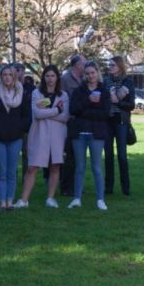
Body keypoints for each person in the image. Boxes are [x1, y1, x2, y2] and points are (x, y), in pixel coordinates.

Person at [15, 65, 69, 208]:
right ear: (43, 77)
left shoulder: (63, 95)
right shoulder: (36, 93)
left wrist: (49, 112)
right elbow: (37, 114)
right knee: (32, 167)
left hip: (57, 135)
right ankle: (24, 200)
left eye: (53, 76)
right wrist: (56, 110)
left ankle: (50, 198)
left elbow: (65, 117)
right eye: (47, 76)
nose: (50, 79)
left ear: (57, 78)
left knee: (55, 166)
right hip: (40, 134)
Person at [0, 64, 30, 210]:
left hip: (15, 138)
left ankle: (10, 200)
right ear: (0, 76)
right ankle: (2, 202)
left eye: (10, 74)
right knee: (1, 172)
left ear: (14, 76)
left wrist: (19, 128)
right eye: (4, 75)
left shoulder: (21, 93)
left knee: (12, 172)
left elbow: (27, 116)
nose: (7, 77)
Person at [69, 62, 110, 210]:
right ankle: (77, 198)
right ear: (84, 75)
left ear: (97, 73)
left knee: (97, 167)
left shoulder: (104, 90)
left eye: (92, 73)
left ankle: (100, 199)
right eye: (87, 73)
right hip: (79, 133)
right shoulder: (79, 91)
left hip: (96, 133)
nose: (90, 76)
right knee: (79, 167)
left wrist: (85, 112)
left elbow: (105, 113)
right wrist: (88, 101)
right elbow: (73, 110)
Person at [103, 55, 135, 196]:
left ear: (120, 67)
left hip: (121, 121)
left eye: (112, 65)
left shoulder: (128, 82)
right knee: (108, 155)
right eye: (109, 66)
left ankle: (125, 188)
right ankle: (108, 188)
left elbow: (131, 105)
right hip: (107, 122)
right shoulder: (105, 81)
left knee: (122, 156)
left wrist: (117, 102)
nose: (109, 68)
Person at [60, 54, 86, 196]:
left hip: (82, 120)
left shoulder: (85, 79)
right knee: (69, 155)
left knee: (80, 155)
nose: (86, 66)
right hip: (69, 121)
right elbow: (60, 98)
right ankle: (66, 187)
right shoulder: (65, 79)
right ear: (77, 65)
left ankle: (78, 185)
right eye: (84, 64)